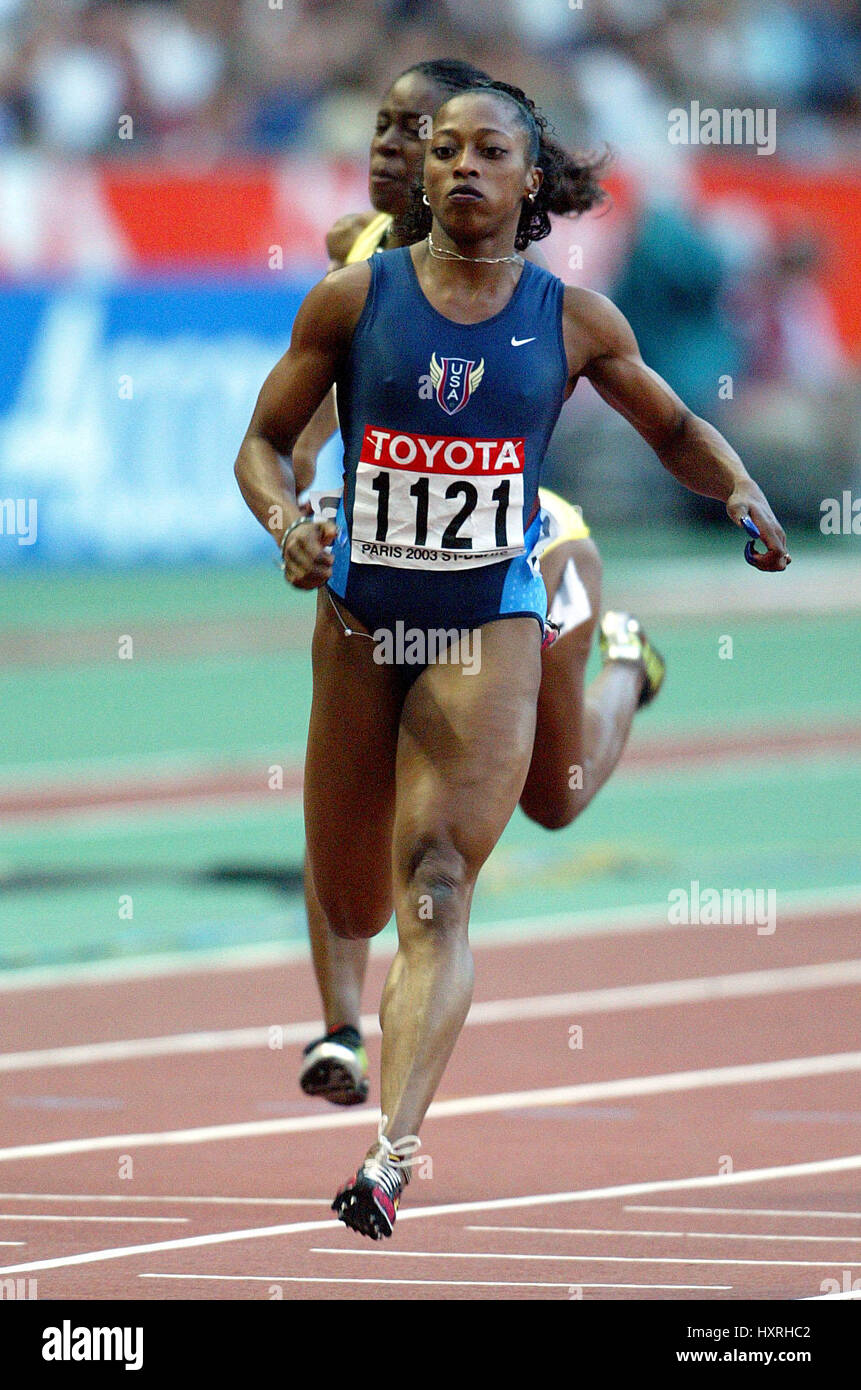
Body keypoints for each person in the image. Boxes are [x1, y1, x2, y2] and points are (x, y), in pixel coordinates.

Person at [234, 79, 789, 1239]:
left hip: (487, 618)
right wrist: (289, 526)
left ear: (531, 180)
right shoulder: (353, 296)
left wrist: (737, 486)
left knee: (435, 884)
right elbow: (263, 445)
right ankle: (626, 666)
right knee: (349, 894)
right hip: (357, 621)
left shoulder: (571, 318)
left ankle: (389, 1156)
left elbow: (672, 428)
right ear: (422, 175)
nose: (462, 168)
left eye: (491, 151)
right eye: (444, 151)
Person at [290, 60, 666, 1113]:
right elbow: (320, 416)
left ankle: (629, 665)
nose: (391, 148)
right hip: (389, 570)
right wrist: (308, 501)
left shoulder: (514, 276)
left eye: (418, 131)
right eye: (387, 127)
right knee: (342, 803)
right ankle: (337, 1026)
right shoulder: (354, 262)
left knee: (556, 798)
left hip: (526, 549)